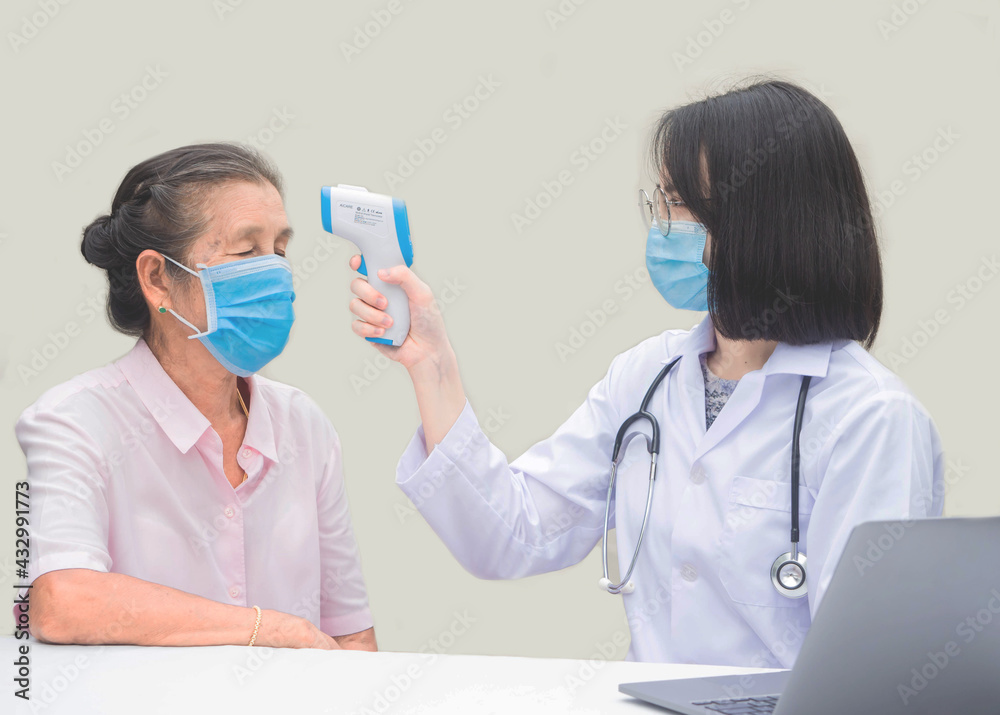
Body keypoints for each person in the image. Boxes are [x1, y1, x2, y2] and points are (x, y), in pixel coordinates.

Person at [346, 78, 944, 668]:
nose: (662, 225)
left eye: (680, 203)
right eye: (660, 201)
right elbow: (513, 536)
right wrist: (433, 365)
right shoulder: (649, 376)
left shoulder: (870, 417)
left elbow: (870, 664)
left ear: (766, 221)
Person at [16, 143, 375, 651]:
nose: (275, 271)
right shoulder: (74, 420)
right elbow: (62, 601)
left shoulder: (303, 424)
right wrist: (270, 630)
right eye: (246, 250)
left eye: (280, 249)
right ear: (157, 279)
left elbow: (351, 634)